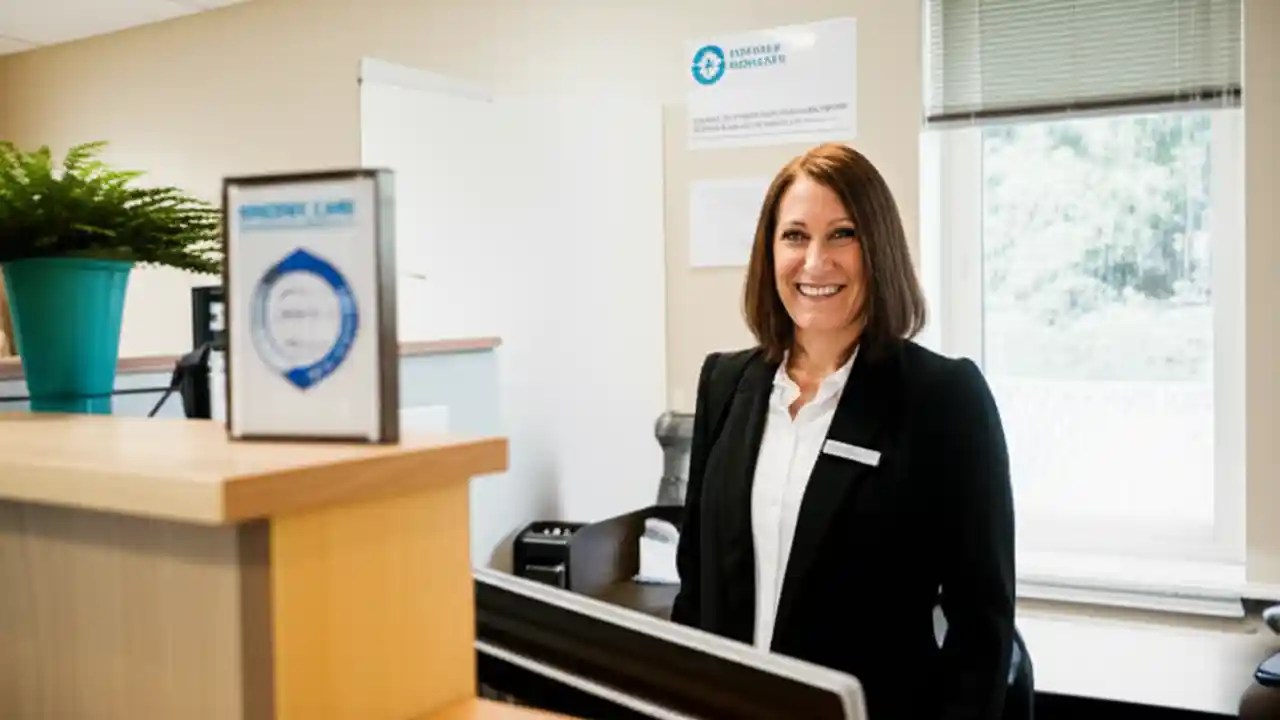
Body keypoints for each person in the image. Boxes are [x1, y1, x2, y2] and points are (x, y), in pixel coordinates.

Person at [671, 143, 1015, 719]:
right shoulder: (725, 383)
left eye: (842, 234)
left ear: (876, 246)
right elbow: (695, 586)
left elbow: (982, 626)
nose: (815, 262)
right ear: (769, 250)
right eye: (795, 236)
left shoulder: (943, 399)